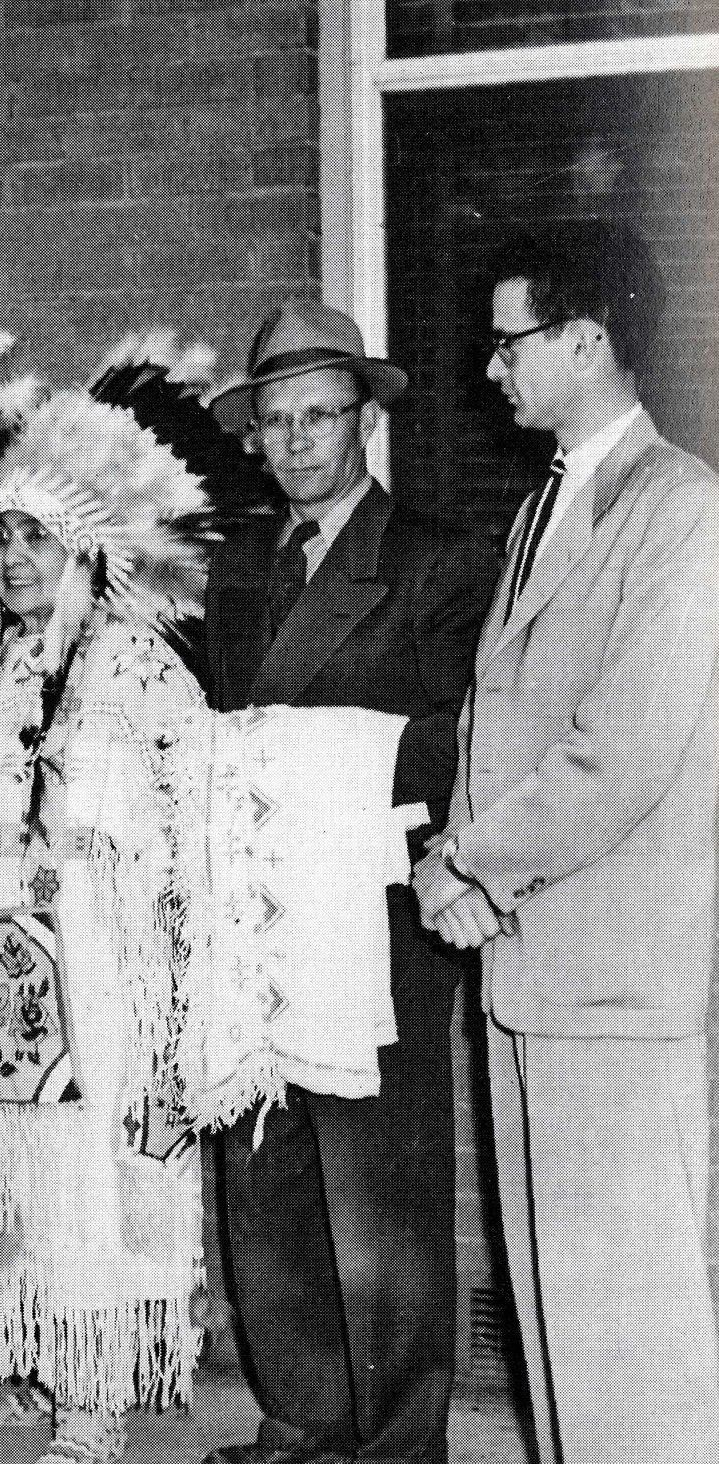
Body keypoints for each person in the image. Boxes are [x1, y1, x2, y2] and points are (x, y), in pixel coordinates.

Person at [413, 225, 719, 1464]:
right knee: (553, 1327)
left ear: (587, 341)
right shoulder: (549, 502)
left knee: (629, 1341)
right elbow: (500, 719)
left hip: (613, 979)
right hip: (532, 972)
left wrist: (470, 866)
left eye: (509, 341)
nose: (493, 368)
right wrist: (456, 854)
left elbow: (622, 750)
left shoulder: (681, 510)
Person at [0, 374, 229, 1464]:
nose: (12, 560)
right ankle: (43, 1361)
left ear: (85, 550)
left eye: (34, 539)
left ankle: (94, 1396)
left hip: (97, 976)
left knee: (88, 1182)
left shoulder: (136, 671)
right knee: (6, 1172)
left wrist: (175, 973)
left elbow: (189, 828)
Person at [199, 302, 496, 1464]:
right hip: (257, 913)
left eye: (320, 414)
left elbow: (460, 734)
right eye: (274, 421)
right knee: (264, 1167)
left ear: (364, 419)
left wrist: (296, 757)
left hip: (375, 914)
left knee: (380, 1193)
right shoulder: (236, 569)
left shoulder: (434, 556)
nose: (297, 441)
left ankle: (395, 1444)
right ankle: (304, 1415)